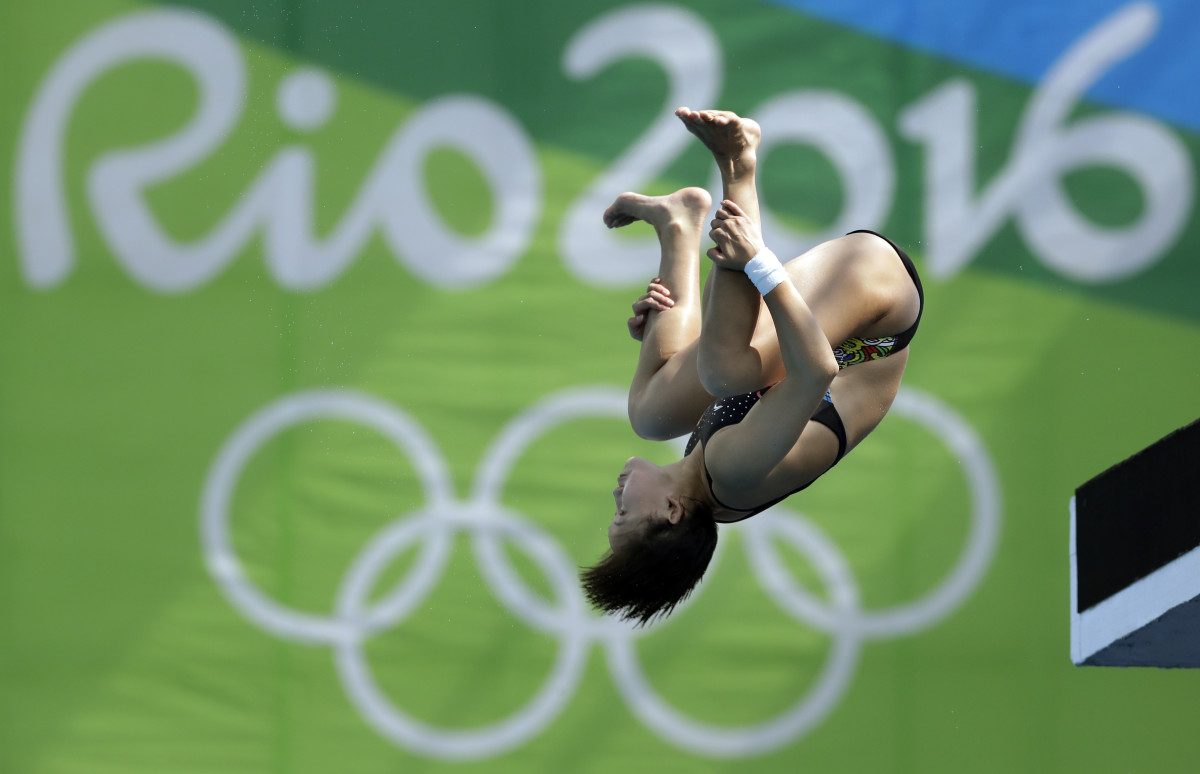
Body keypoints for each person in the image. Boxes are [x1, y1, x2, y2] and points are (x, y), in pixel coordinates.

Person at [580, 107, 925, 625]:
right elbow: (815, 370)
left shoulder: (703, 478)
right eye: (624, 512)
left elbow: (746, 351)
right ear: (672, 513)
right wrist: (757, 263)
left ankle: (678, 223)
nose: (616, 495)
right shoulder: (733, 472)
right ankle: (739, 163)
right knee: (726, 374)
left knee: (651, 413)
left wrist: (659, 330)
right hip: (877, 309)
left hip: (814, 327)